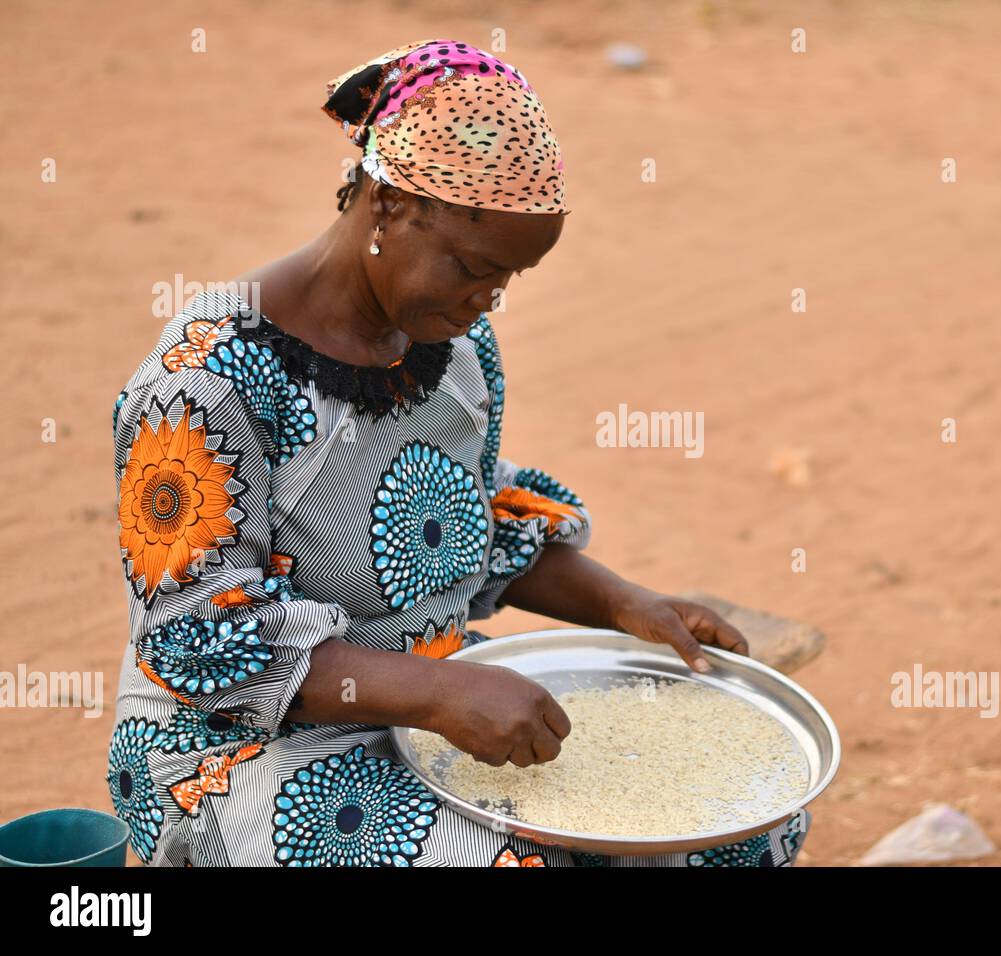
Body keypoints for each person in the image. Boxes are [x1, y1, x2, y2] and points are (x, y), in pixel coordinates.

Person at [108, 39, 809, 867]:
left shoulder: (457, 352)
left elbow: (469, 519)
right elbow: (196, 642)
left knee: (738, 825)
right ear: (389, 203)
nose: (489, 299)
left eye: (510, 279)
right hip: (240, 747)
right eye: (474, 267)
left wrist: (624, 603)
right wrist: (439, 693)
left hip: (433, 701)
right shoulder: (205, 382)